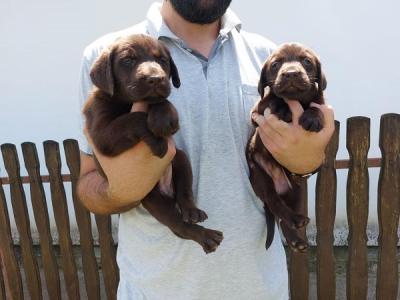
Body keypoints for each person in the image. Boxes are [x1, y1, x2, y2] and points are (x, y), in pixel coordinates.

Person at [77, 1, 335, 299]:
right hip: (158, 289)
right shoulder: (106, 55)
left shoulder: (268, 56)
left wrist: (307, 161)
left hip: (259, 287)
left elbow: (299, 158)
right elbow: (88, 182)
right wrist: (120, 191)